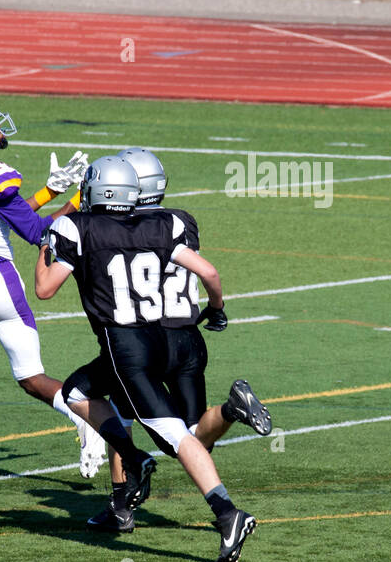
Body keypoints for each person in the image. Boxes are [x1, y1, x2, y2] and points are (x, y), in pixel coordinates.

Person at [0, 96, 145, 494]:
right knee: (31, 378)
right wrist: (76, 200)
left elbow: (0, 211)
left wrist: (48, 190)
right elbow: (38, 232)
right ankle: (84, 422)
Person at [35, 155, 258, 562]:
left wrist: (46, 243)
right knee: (76, 390)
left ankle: (227, 514)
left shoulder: (77, 227)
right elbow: (207, 271)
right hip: (167, 334)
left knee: (178, 438)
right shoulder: (157, 225)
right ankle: (132, 466)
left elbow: (44, 289)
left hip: (128, 347)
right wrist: (218, 307)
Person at [85, 147, 271, 534]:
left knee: (132, 418)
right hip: (187, 333)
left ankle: (122, 504)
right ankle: (230, 411)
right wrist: (216, 307)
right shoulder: (181, 220)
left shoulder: (124, 226)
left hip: (144, 333)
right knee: (192, 434)